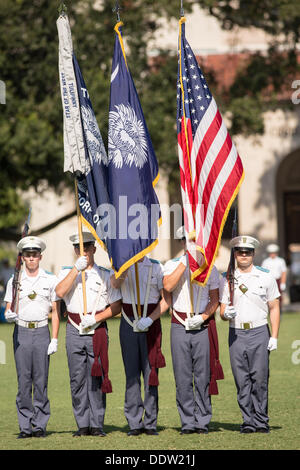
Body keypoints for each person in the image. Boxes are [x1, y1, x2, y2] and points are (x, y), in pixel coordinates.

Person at [55, 231, 122, 437]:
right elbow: (59, 292)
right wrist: (76, 270)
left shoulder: (104, 274)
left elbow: (117, 306)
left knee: (97, 377)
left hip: (97, 329)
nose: (82, 251)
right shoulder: (67, 272)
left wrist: (97, 318)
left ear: (93, 249)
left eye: (86, 247)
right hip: (74, 330)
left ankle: (97, 424)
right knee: (77, 379)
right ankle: (82, 424)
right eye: (78, 248)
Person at [163, 226, 222, 435]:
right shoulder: (171, 264)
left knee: (202, 375)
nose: (190, 245)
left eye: (193, 241)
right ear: (181, 243)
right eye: (186, 241)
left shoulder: (210, 266)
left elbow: (215, 299)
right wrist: (184, 263)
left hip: (200, 323)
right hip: (180, 324)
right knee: (182, 376)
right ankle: (187, 421)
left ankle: (202, 420)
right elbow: (168, 287)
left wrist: (203, 317)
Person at [220, 235, 281, 434]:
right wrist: (225, 313)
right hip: (236, 332)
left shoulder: (265, 276)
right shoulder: (226, 277)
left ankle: (261, 420)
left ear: (253, 254)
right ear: (235, 254)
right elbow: (222, 310)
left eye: (247, 252)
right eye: (240, 252)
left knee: (260, 378)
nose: (243, 255)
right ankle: (247, 420)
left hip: (259, 331)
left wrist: (274, 336)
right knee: (242, 379)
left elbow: (274, 307)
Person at [4, 236, 60, 439]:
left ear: (40, 257)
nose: (31, 258)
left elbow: (55, 310)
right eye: (27, 255)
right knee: (24, 381)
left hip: (42, 331)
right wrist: (9, 314)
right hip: (22, 332)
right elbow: (9, 307)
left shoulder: (50, 279)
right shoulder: (15, 279)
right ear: (23, 257)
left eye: (34, 255)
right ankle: (25, 426)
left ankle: (39, 425)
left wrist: (54, 338)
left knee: (41, 381)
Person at [108, 256, 170, 436]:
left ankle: (150, 422)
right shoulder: (120, 264)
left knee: (151, 373)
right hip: (128, 322)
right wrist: (125, 267)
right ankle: (134, 422)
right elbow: (114, 284)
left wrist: (150, 319)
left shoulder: (157, 266)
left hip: (151, 322)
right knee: (132, 375)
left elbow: (165, 300)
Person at [262, 243, 287, 312]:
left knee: (278, 297)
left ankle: (279, 310)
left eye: (274, 252)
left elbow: (283, 272)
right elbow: (263, 272)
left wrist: (283, 283)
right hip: (269, 280)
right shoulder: (266, 261)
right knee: (268, 296)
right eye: (271, 253)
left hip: (277, 280)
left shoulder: (281, 261)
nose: (272, 254)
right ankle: (270, 310)